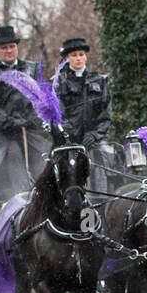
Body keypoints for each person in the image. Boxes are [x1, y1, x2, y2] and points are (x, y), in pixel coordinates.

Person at [0, 25, 51, 200]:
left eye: (12, 46)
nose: (9, 51)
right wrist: (9, 122)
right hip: (1, 134)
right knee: (12, 157)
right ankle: (19, 201)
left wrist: (27, 120)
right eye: (4, 48)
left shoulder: (31, 69)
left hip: (28, 129)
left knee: (46, 157)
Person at [54, 37, 114, 190]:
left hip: (94, 138)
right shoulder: (59, 82)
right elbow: (58, 114)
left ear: (86, 56)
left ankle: (103, 198)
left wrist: (95, 134)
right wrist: (70, 135)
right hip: (69, 140)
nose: (78, 58)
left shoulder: (100, 81)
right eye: (74, 55)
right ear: (67, 58)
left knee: (108, 156)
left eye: (81, 54)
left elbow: (106, 114)